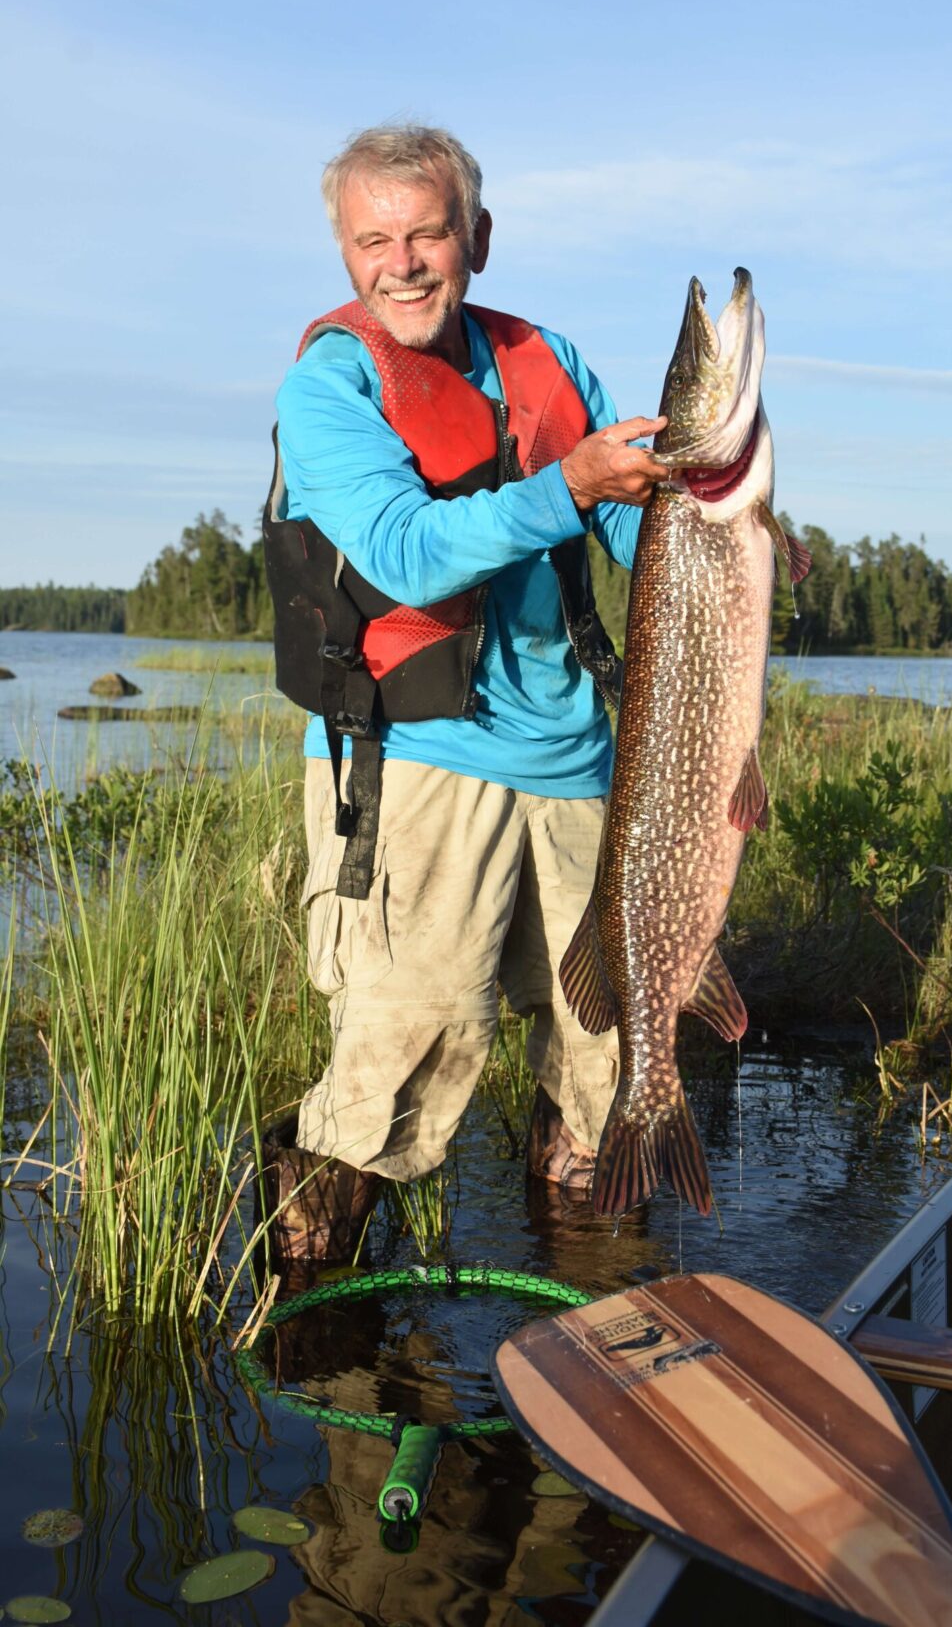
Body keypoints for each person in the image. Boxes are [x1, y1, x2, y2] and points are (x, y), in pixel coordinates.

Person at [261, 123, 668, 1276]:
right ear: (345, 253)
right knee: (396, 1073)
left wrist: (712, 500)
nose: (402, 261)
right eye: (373, 238)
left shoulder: (550, 359)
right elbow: (401, 552)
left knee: (607, 1061)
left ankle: (586, 1301)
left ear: (476, 239)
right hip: (417, 757)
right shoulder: (329, 382)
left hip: (584, 765)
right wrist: (571, 485)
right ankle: (317, 1324)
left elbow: (638, 526)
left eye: (427, 232)